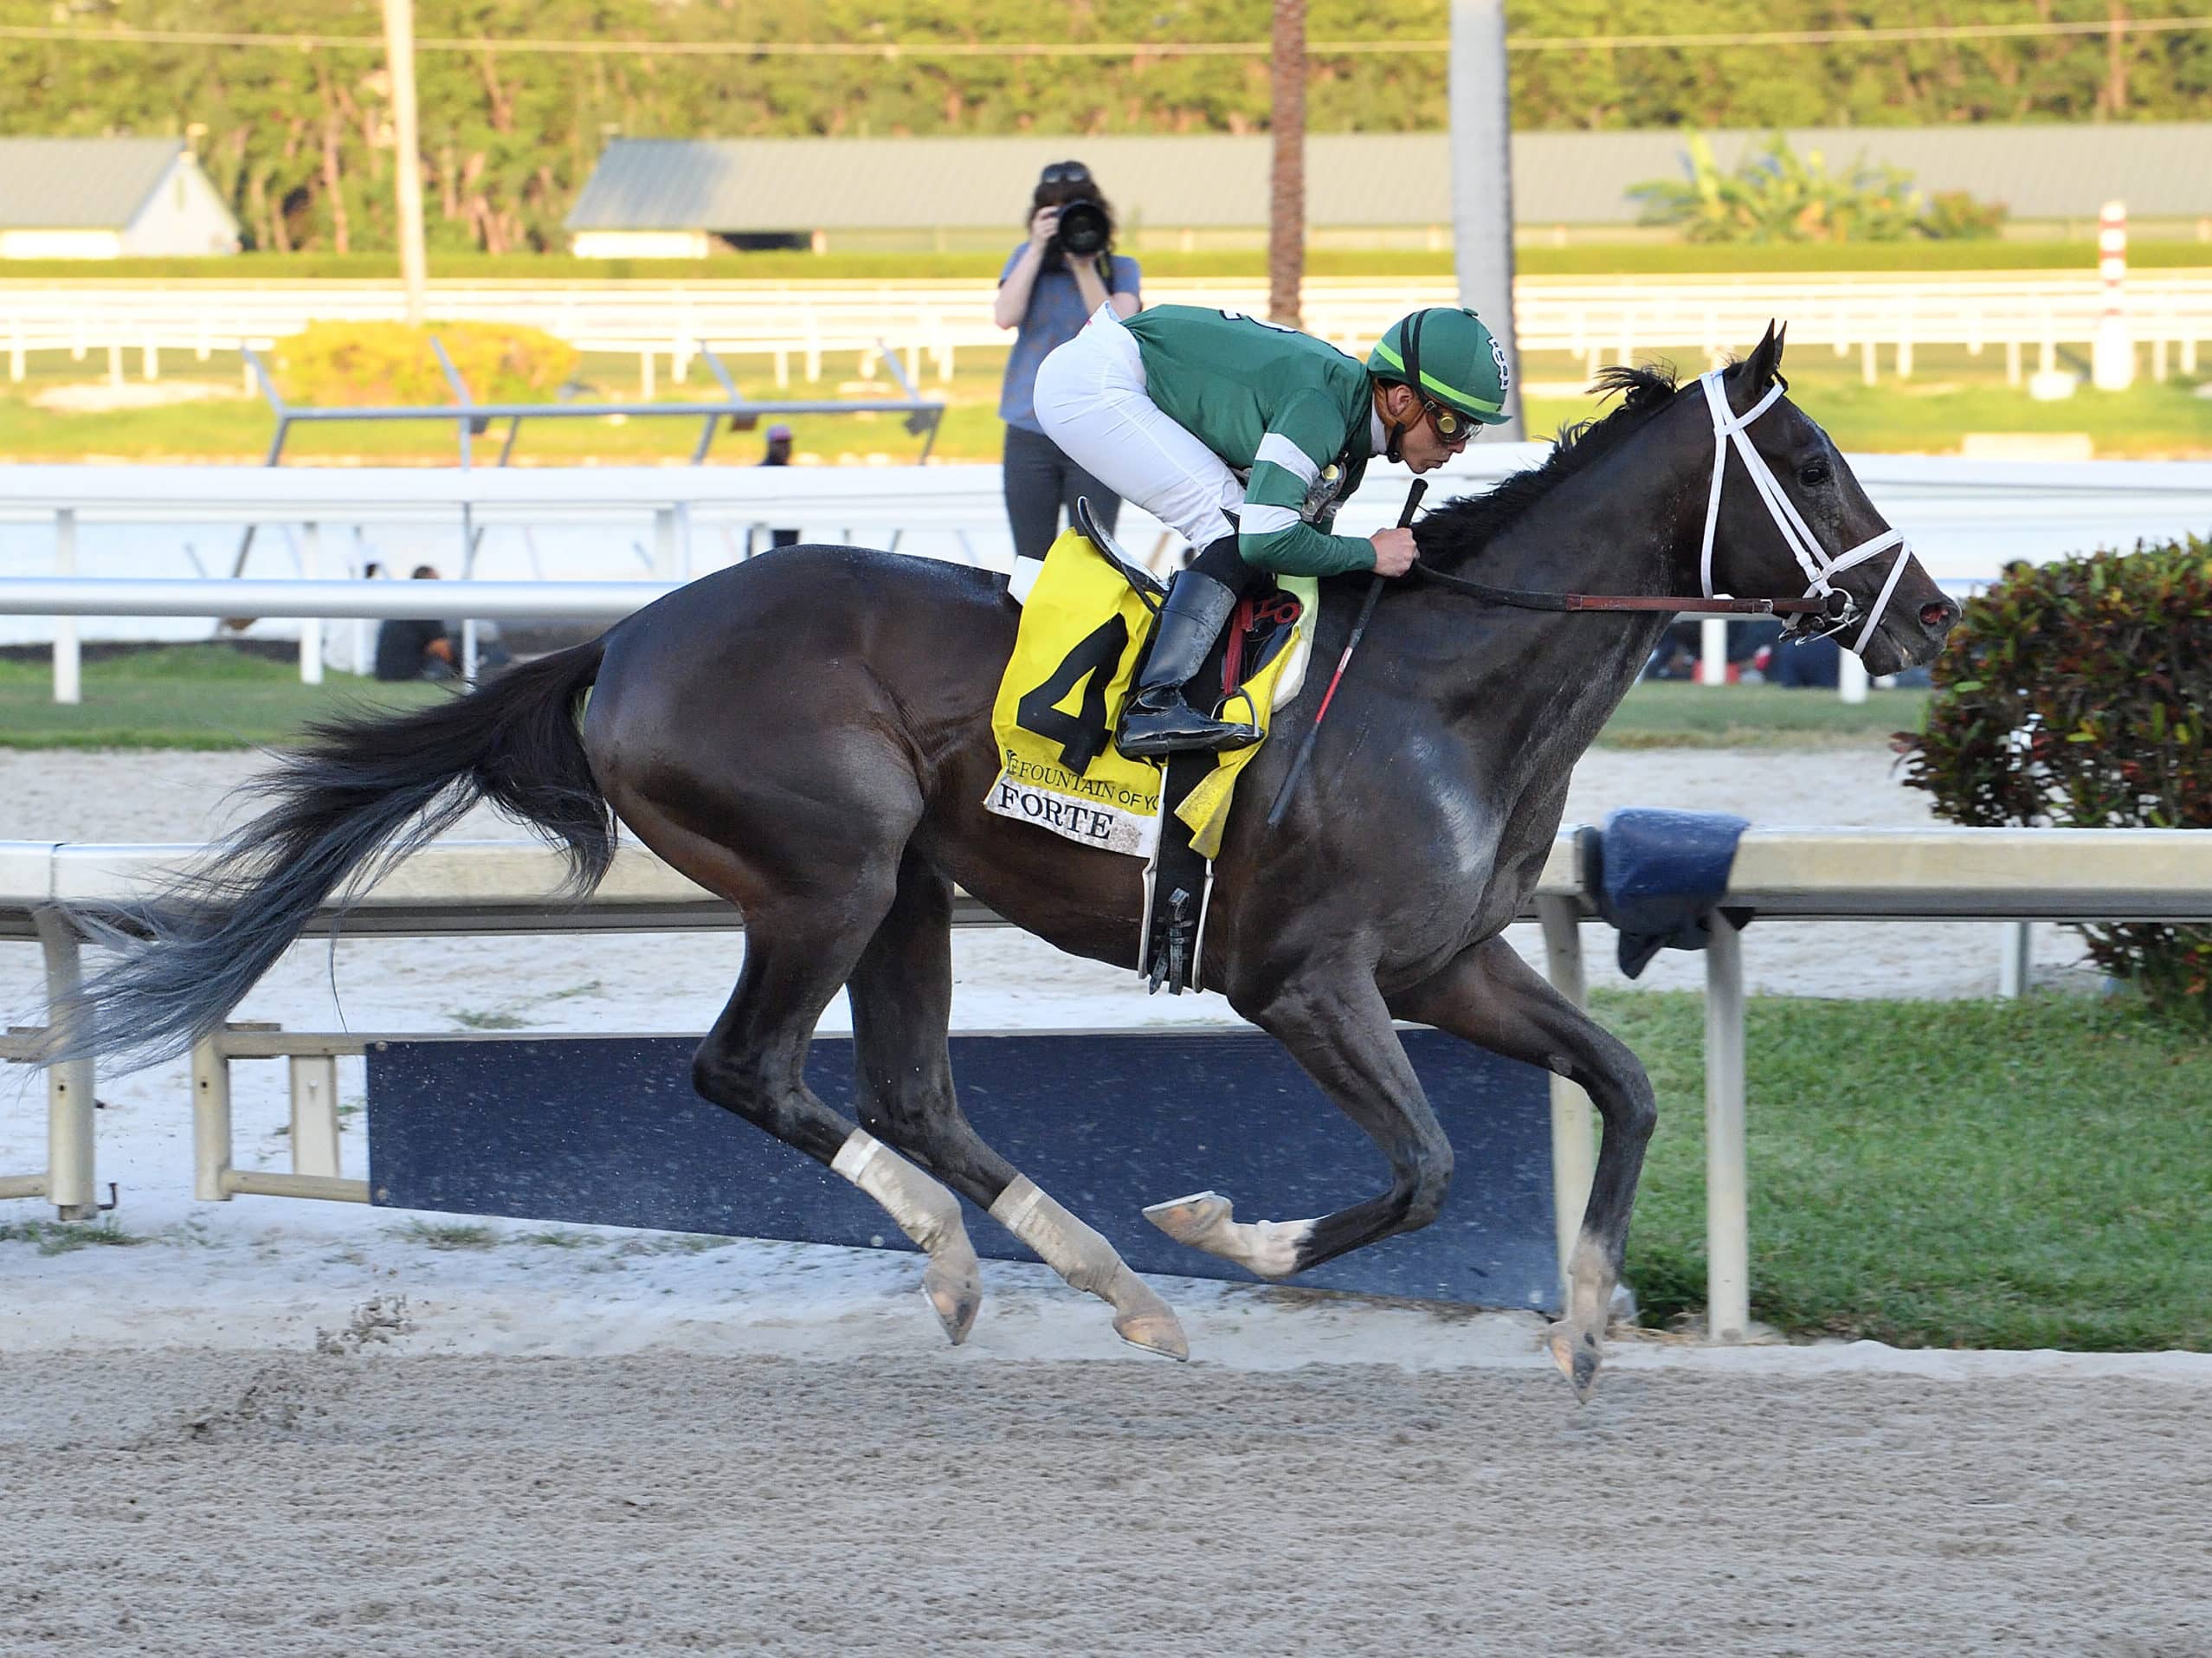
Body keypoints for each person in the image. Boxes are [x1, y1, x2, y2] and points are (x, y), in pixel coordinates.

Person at [1032, 302, 1512, 756]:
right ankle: (1151, 705)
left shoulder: (1350, 444)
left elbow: (1301, 559)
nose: (1459, 447)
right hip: (1094, 382)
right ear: (1403, 399)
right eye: (1453, 425)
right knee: (1234, 527)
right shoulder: (1322, 407)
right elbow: (1263, 539)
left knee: (1250, 540)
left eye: (1470, 431)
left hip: (1118, 370)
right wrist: (1369, 553)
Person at [994, 159, 1142, 597]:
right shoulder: (1026, 262)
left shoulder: (1121, 268)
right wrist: (1037, 249)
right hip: (1028, 429)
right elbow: (1005, 316)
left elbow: (1115, 325)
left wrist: (1083, 265)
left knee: (1095, 557)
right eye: (1053, 212)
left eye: (1076, 211)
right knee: (1030, 563)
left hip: (1097, 428)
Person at [372, 564, 458, 681]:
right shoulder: (425, 607)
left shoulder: (402, 603)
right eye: (437, 580)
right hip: (407, 673)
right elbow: (442, 648)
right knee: (448, 670)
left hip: (384, 673)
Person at [760, 423, 800, 550]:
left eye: (786, 443)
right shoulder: (761, 473)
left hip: (787, 538)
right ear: (770, 445)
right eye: (780, 443)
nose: (785, 447)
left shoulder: (793, 474)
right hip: (768, 537)